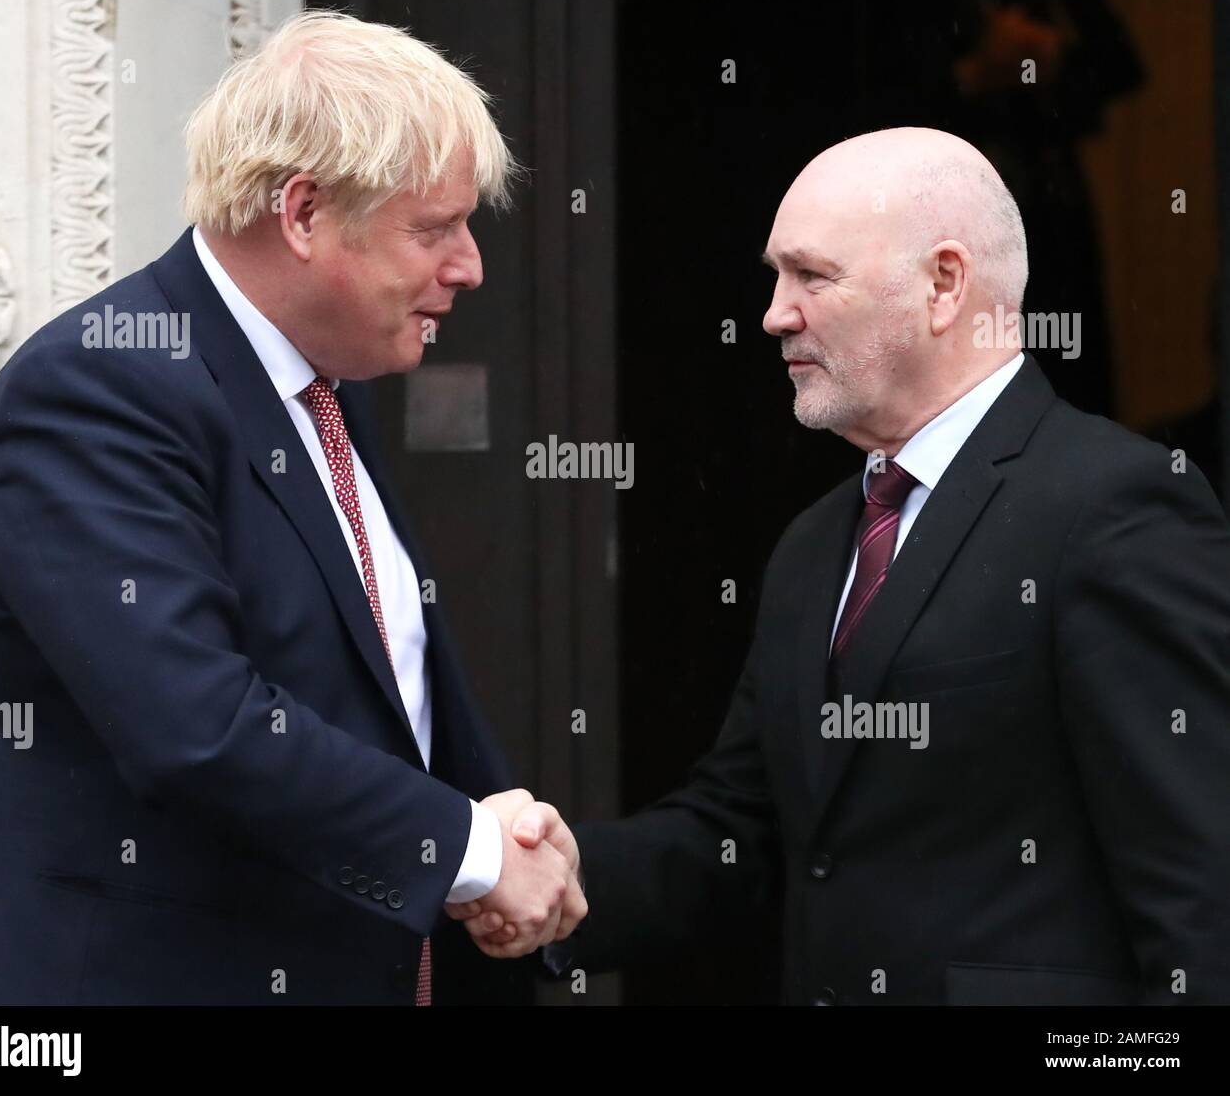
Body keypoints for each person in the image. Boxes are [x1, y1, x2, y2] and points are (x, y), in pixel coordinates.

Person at [451, 127, 1230, 1005]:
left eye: (812, 276)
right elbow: (740, 830)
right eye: (776, 277)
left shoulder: (1115, 508)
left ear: (943, 285)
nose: (775, 312)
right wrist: (538, 870)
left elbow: (1201, 891)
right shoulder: (819, 543)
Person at [0, 10, 583, 1006]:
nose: (469, 266)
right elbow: (198, 725)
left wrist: (504, 822)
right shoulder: (98, 386)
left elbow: (373, 683)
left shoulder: (322, 385)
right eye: (433, 227)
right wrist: (472, 850)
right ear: (305, 211)